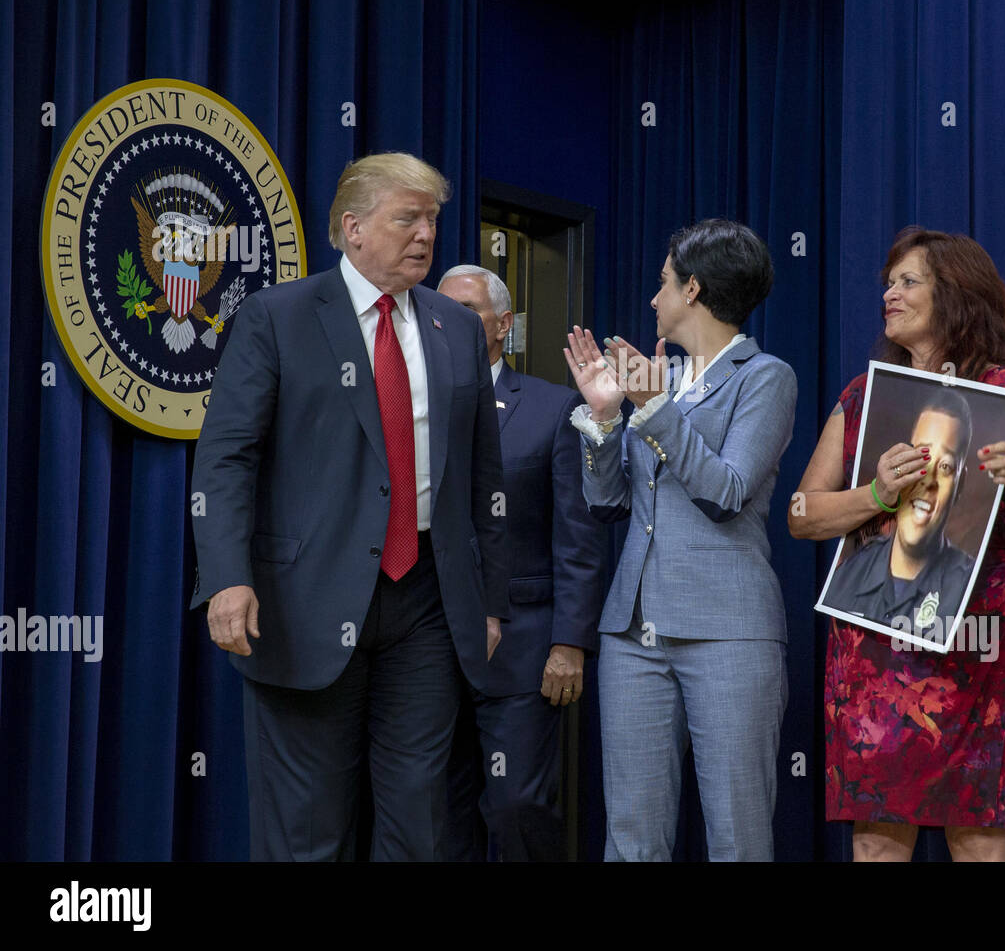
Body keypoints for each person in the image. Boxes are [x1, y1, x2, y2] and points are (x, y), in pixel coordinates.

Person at [191, 153, 508, 861]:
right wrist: (227, 576)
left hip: (427, 604)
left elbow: (484, 476)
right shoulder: (279, 317)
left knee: (420, 826)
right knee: (308, 829)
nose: (425, 234)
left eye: (431, 219)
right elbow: (225, 458)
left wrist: (489, 603)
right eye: (407, 218)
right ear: (352, 228)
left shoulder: (455, 329)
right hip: (301, 601)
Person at [790, 227, 1005, 862]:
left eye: (909, 282)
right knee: (877, 841)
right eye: (889, 282)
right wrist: (876, 499)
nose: (890, 293)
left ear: (957, 294)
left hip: (978, 650)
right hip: (876, 649)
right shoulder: (862, 396)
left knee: (980, 839)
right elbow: (802, 515)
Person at [563, 218, 796, 861]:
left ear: (693, 289)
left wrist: (652, 408)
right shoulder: (656, 382)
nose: (653, 299)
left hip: (728, 630)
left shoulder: (765, 377)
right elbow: (608, 502)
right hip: (633, 631)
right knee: (631, 839)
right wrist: (607, 419)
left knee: (737, 836)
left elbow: (726, 491)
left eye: (663, 283)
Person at [438, 264, 604, 861]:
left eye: (467, 311)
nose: (449, 322)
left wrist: (570, 642)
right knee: (433, 813)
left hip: (524, 648)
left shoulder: (554, 408)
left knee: (516, 808)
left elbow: (578, 537)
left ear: (503, 325)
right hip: (426, 647)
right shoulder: (410, 404)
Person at [820, 391, 975, 630]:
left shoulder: (972, 587)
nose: (928, 481)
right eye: (920, 457)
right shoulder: (849, 574)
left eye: (945, 466)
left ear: (959, 485)